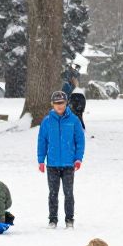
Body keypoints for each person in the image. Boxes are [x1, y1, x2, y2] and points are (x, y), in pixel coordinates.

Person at [37, 90, 86, 229]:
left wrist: (78, 159)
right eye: (57, 103)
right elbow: (42, 141)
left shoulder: (74, 121)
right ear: (52, 104)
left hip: (68, 164)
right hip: (52, 164)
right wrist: (41, 160)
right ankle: (53, 219)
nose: (60, 106)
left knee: (68, 193)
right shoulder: (46, 121)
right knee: (53, 193)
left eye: (62, 103)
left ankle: (69, 219)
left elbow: (80, 141)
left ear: (66, 103)